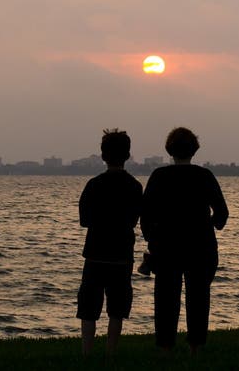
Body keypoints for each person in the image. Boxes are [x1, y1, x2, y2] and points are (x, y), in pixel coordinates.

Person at [141, 127, 228, 357]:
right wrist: (211, 224)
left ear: (170, 150)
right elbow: (222, 213)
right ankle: (196, 346)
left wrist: (152, 238)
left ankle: (166, 346)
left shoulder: (159, 176)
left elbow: (146, 213)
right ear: (194, 150)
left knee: (166, 298)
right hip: (201, 245)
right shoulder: (204, 176)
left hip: (167, 246)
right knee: (199, 297)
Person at [76, 129, 143, 357]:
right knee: (117, 308)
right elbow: (135, 218)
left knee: (88, 307)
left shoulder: (94, 185)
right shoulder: (135, 186)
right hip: (122, 254)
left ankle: (87, 352)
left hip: (95, 253)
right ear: (128, 155)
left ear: (103, 155)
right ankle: (111, 353)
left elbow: (84, 220)